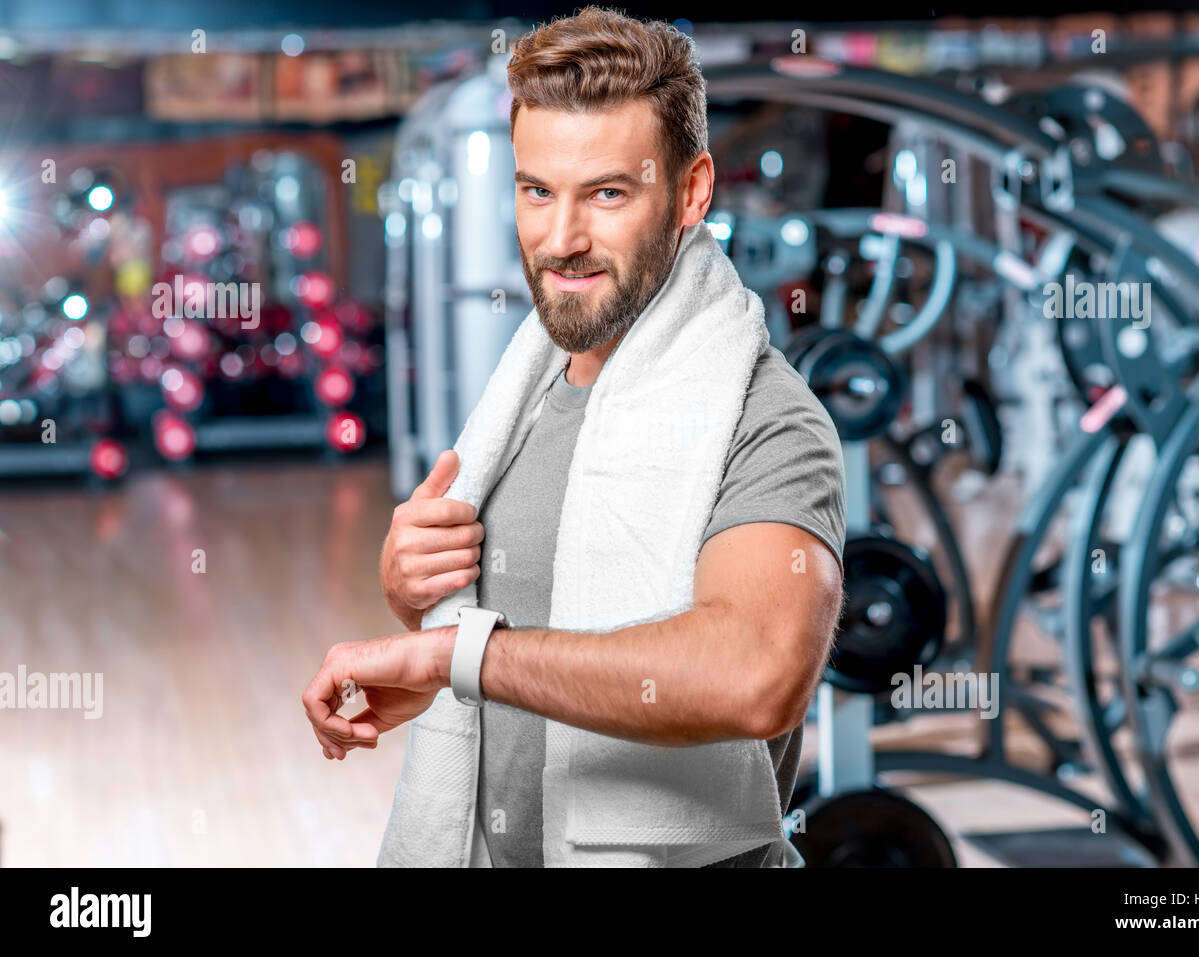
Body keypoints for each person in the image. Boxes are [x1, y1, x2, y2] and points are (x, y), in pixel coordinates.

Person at [303, 5, 846, 868]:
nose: (562, 240)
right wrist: (416, 593)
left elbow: (756, 674)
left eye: (607, 192)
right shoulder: (518, 398)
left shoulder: (765, 420)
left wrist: (456, 653)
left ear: (692, 191)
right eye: (536, 190)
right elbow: (523, 644)